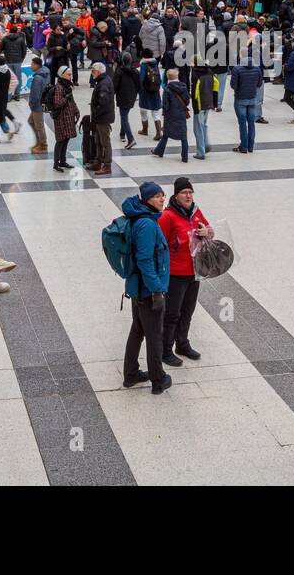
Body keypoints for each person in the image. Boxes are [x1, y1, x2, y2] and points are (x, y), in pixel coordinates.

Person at [121, 181, 172, 394]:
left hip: (137, 287)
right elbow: (144, 259)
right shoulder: (148, 224)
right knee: (154, 335)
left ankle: (131, 374)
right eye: (157, 196)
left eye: (162, 195)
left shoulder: (140, 217)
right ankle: (158, 379)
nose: (162, 199)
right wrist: (156, 290)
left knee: (138, 330)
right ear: (147, 200)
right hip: (148, 290)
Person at [158, 176, 209, 368]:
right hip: (175, 274)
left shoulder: (196, 211)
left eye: (190, 192)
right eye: (184, 192)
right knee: (172, 313)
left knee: (188, 311)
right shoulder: (168, 216)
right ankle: (165, 350)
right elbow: (159, 243)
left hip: (194, 271)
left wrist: (207, 231)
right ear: (176, 195)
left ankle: (182, 344)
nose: (188, 196)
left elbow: (209, 228)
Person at [152, 68, 190, 163]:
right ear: (177, 76)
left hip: (170, 115)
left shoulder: (167, 89)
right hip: (181, 114)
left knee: (166, 134)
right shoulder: (183, 86)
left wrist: (165, 113)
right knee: (183, 137)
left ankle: (159, 151)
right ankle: (184, 157)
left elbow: (165, 105)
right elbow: (187, 101)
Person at [231, 48, 263, 154]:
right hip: (252, 98)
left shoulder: (237, 69)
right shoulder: (257, 68)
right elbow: (259, 84)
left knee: (242, 123)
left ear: (241, 55)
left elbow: (233, 85)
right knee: (251, 123)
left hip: (240, 98)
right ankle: (251, 146)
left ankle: (243, 146)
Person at [48, 66, 80, 173]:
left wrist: (76, 111)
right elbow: (57, 103)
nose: (70, 76)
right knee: (60, 140)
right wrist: (66, 97)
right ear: (62, 75)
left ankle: (63, 161)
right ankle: (56, 163)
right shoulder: (59, 87)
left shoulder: (67, 86)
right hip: (61, 119)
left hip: (68, 117)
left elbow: (72, 101)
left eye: (71, 74)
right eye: (69, 74)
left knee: (66, 139)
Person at [88, 62, 115, 175]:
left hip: (103, 117)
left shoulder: (103, 83)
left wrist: (95, 112)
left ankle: (107, 166)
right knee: (98, 140)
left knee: (105, 141)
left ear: (98, 72)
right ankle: (98, 162)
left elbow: (103, 102)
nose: (91, 73)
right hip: (101, 117)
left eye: (93, 71)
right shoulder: (103, 80)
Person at [188, 58, 214, 160]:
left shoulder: (195, 73)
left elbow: (194, 91)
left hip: (199, 104)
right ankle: (206, 144)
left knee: (197, 128)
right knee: (203, 125)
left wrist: (194, 106)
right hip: (208, 101)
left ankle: (200, 152)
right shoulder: (209, 70)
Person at [115, 51, 140, 150]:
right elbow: (139, 86)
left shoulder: (120, 71)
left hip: (122, 96)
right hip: (131, 97)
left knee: (124, 117)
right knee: (124, 115)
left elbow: (115, 85)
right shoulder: (136, 72)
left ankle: (131, 139)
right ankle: (122, 134)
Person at [26, 57, 51, 154]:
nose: (31, 66)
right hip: (42, 102)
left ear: (37, 65)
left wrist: (31, 104)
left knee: (39, 125)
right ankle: (39, 142)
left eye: (32, 64)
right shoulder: (45, 73)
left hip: (37, 105)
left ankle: (43, 145)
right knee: (31, 121)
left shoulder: (37, 78)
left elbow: (35, 94)